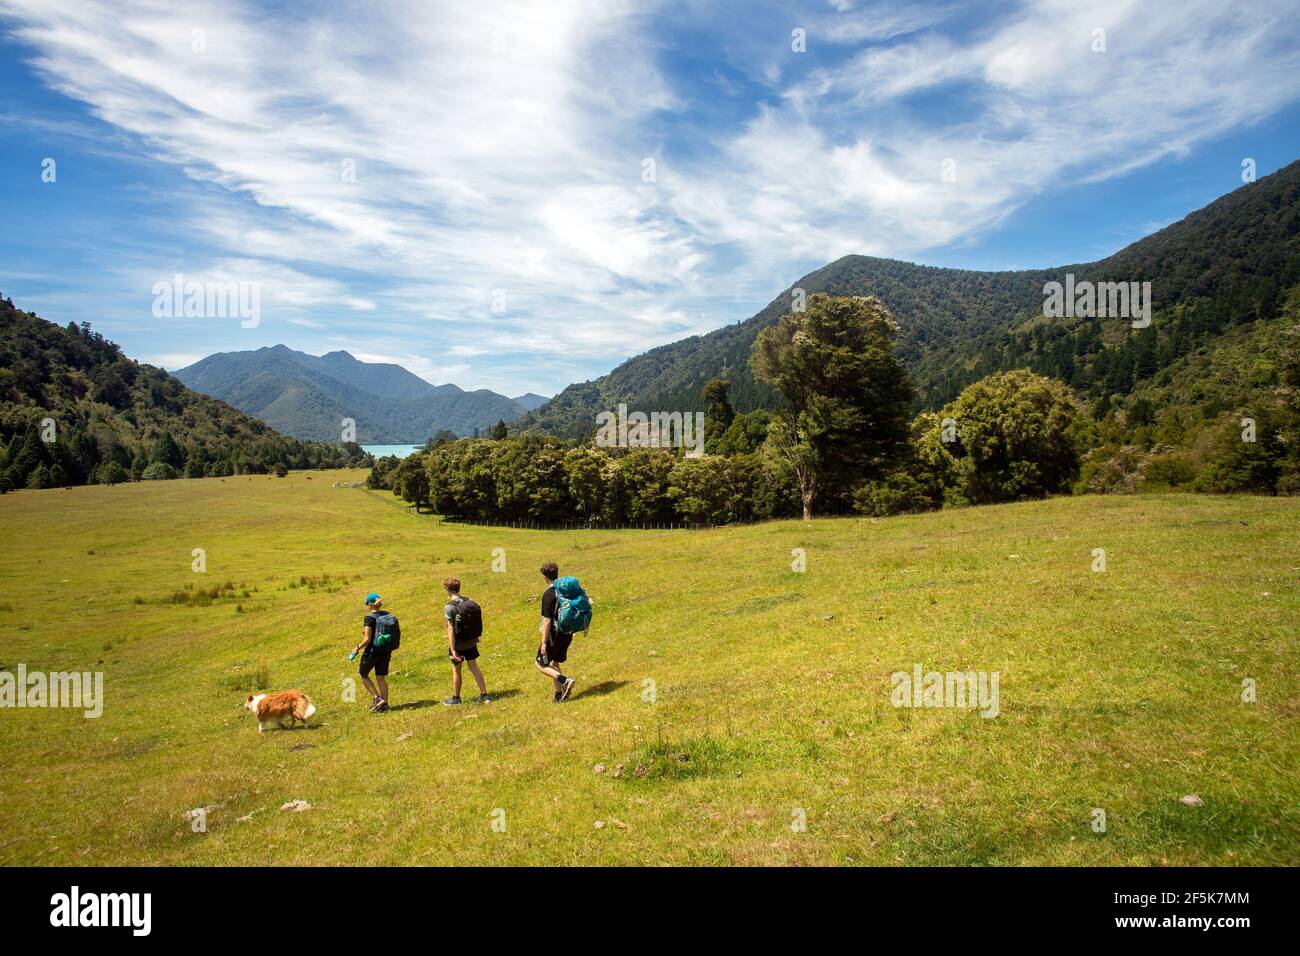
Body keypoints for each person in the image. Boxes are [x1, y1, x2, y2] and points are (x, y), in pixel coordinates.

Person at [442, 577, 491, 705]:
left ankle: (456, 698)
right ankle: (485, 695)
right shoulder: (467, 601)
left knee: (456, 669)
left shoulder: (448, 607)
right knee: (474, 667)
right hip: (471, 641)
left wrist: (452, 649)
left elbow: (451, 628)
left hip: (458, 644)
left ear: (447, 589)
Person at [535, 562, 576, 702]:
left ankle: (565, 680)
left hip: (554, 635)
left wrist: (544, 643)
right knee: (553, 662)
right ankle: (560, 694)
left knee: (540, 663)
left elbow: (547, 621)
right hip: (567, 633)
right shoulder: (565, 590)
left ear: (545, 577)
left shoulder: (549, 594)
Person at [351, 592, 397, 712]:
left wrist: (357, 648)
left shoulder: (369, 618)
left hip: (373, 652)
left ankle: (377, 698)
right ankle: (385, 705)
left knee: (363, 674)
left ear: (370, 605)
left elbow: (367, 639)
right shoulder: (387, 614)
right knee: (381, 677)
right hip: (386, 651)